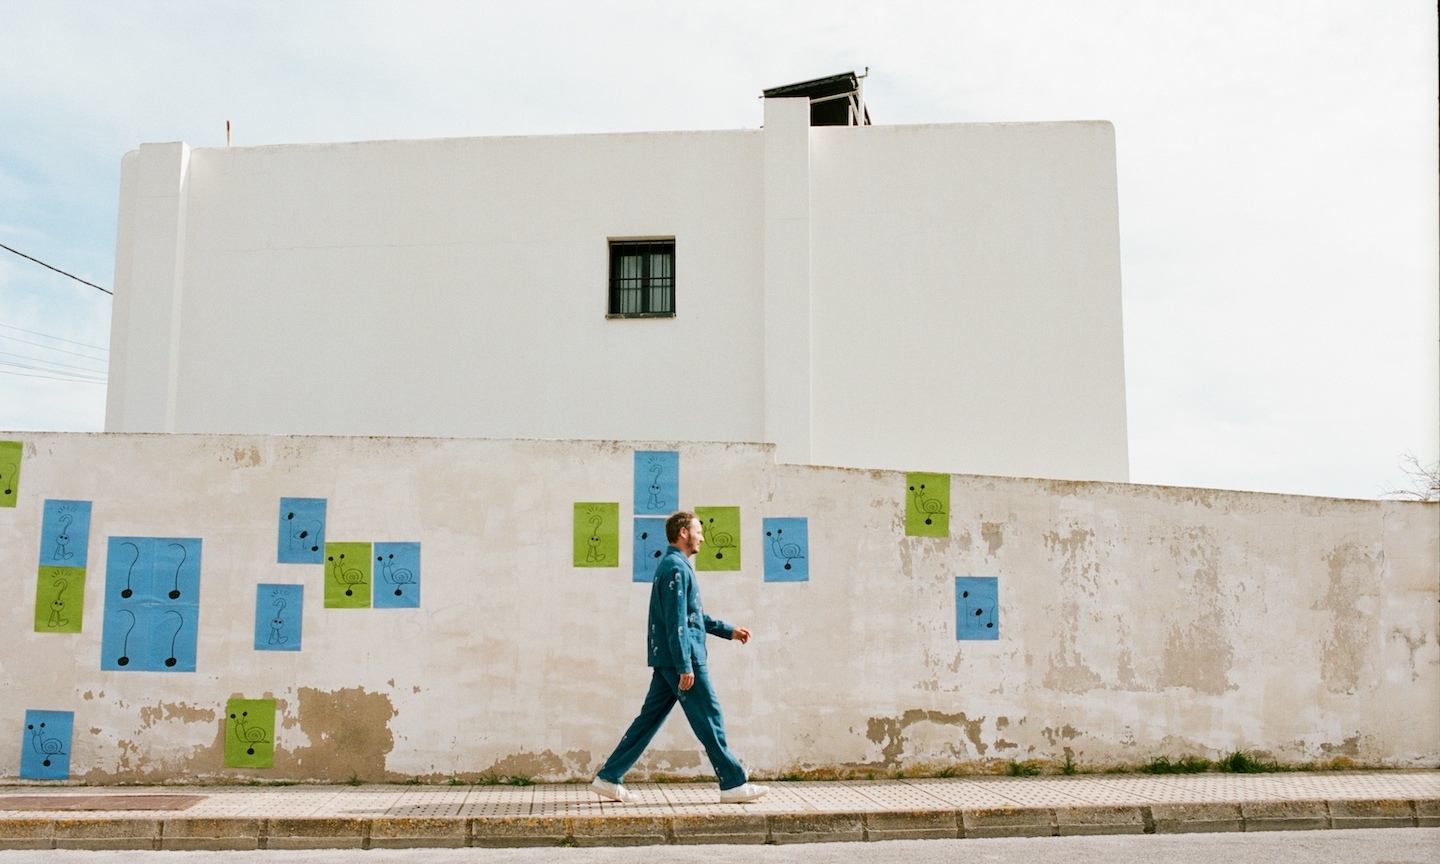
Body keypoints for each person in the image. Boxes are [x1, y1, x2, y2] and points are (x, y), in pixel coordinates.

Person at [591, 510, 769, 804]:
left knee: (647, 722)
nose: (702, 536)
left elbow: (692, 616)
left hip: (668, 659)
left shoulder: (674, 566)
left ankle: (608, 778)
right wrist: (685, 665)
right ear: (683, 533)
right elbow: (677, 621)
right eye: (698, 531)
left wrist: (729, 631)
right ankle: (733, 783)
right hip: (682, 660)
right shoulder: (676, 568)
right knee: (709, 717)